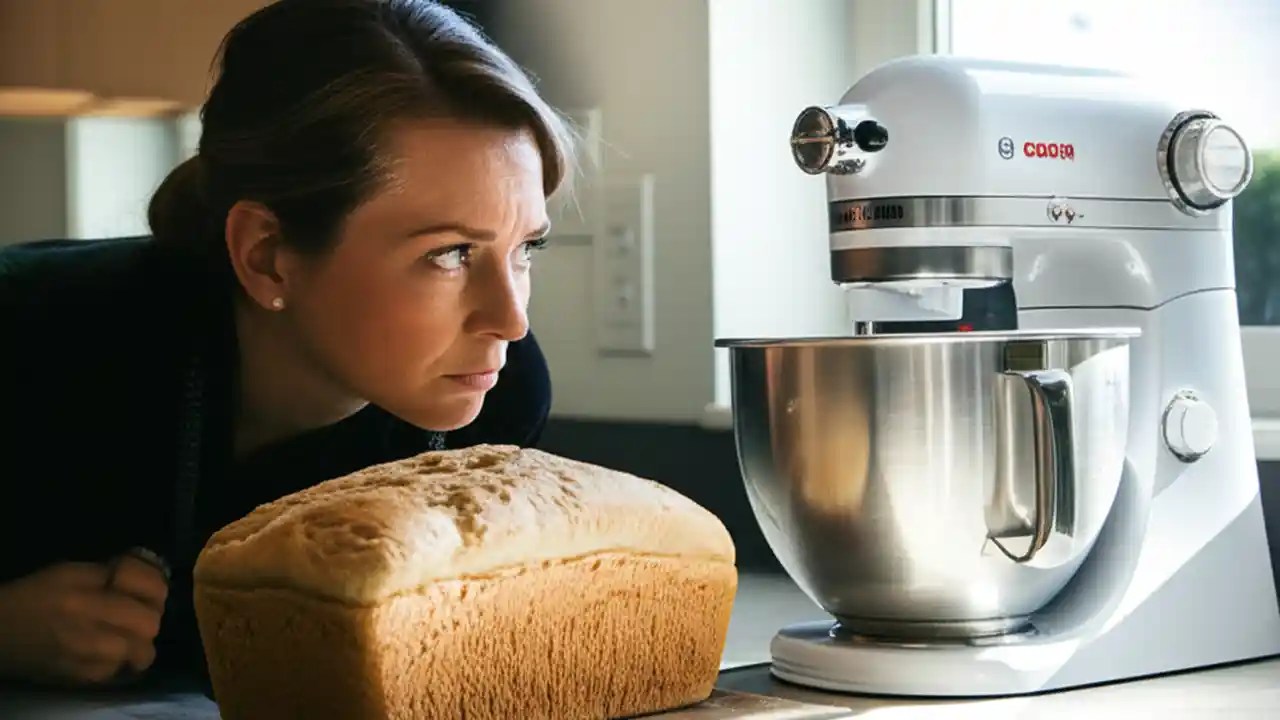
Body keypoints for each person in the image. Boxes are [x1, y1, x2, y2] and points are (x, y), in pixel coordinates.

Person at [0, 0, 575, 690]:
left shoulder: (501, 397)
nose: (510, 320)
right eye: (450, 254)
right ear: (268, 255)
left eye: (525, 249)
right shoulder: (33, 344)